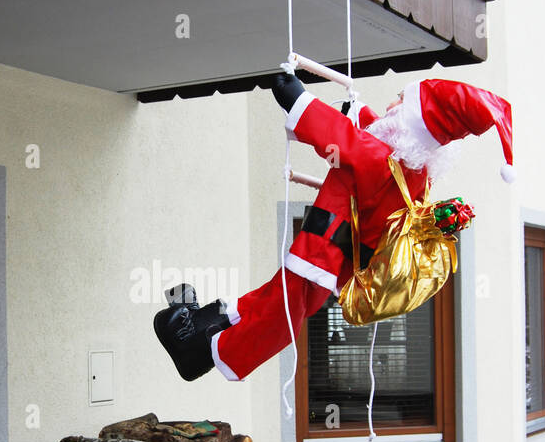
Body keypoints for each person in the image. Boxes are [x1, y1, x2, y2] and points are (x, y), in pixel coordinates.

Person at [153, 70, 512, 382]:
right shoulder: (415, 170)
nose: (390, 106)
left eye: (400, 102)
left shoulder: (385, 160)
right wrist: (356, 110)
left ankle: (208, 352)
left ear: (415, 123)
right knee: (277, 298)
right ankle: (207, 328)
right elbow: (374, 136)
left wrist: (298, 101)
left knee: (282, 308)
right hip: (339, 256)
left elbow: (347, 141)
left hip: (327, 250)